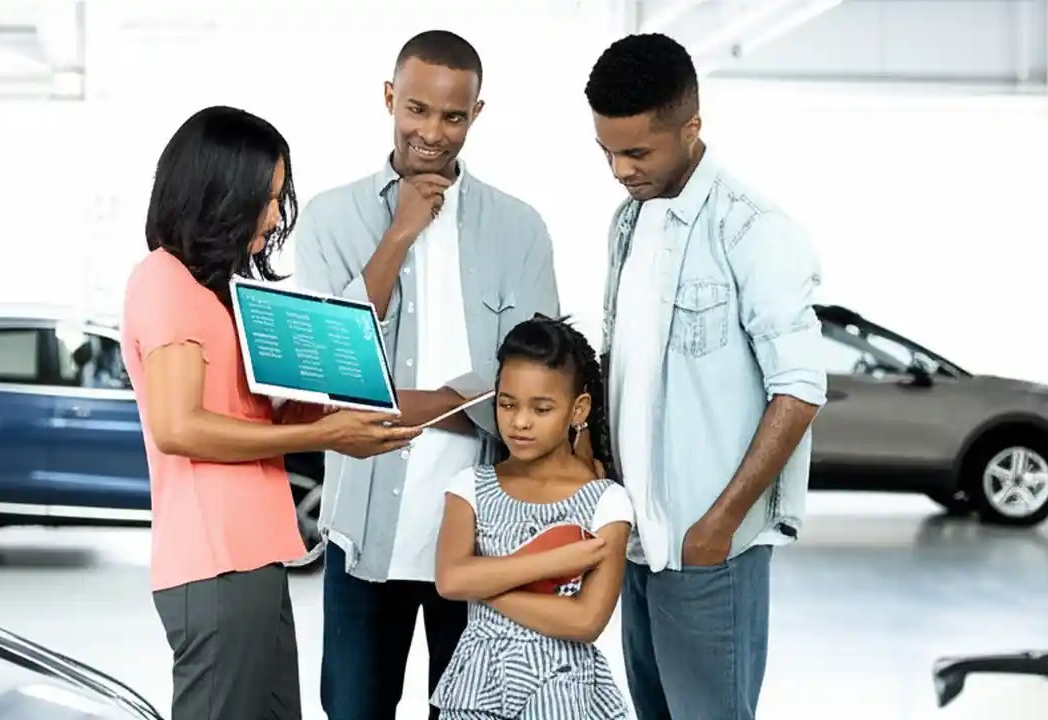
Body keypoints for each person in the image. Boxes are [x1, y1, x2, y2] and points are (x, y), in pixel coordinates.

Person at [293, 30, 561, 720]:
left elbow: (538, 384)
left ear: (477, 113)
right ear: (390, 98)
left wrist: (407, 404)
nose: (433, 133)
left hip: (484, 541)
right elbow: (328, 368)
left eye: (452, 116)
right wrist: (399, 234)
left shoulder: (520, 229)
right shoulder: (331, 218)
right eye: (416, 109)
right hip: (362, 538)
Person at [121, 105, 422, 720]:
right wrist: (323, 433)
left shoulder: (216, 292)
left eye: (278, 198)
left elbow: (249, 423)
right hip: (214, 563)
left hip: (252, 557)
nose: (274, 216)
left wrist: (325, 406)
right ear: (218, 194)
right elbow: (178, 428)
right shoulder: (164, 281)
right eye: (265, 198)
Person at [584, 34, 828, 719]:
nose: (620, 170)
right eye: (607, 152)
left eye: (637, 153)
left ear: (691, 128)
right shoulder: (626, 222)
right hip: (638, 545)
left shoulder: (752, 229)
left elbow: (800, 388)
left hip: (708, 548)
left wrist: (718, 524)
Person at [432, 315, 632, 720]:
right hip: (477, 690)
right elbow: (450, 580)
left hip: (561, 692)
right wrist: (556, 561)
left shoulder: (606, 502)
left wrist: (483, 585)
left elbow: (586, 620)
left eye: (541, 409)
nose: (520, 421)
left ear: (578, 409)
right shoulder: (470, 487)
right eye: (507, 404)